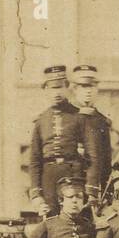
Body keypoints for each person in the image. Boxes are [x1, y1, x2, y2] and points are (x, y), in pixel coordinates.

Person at [26, 64, 84, 216]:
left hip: (74, 176)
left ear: (67, 88)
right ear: (45, 90)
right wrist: (36, 195)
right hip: (48, 180)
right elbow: (34, 160)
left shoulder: (79, 116)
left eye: (60, 87)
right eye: (52, 88)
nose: (56, 92)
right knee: (51, 223)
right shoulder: (41, 121)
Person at [69, 64, 113, 211]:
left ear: (97, 89)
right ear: (74, 89)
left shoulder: (101, 121)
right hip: (69, 190)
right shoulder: (67, 117)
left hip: (93, 194)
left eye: (92, 86)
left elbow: (106, 162)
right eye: (83, 86)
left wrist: (107, 194)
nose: (88, 91)